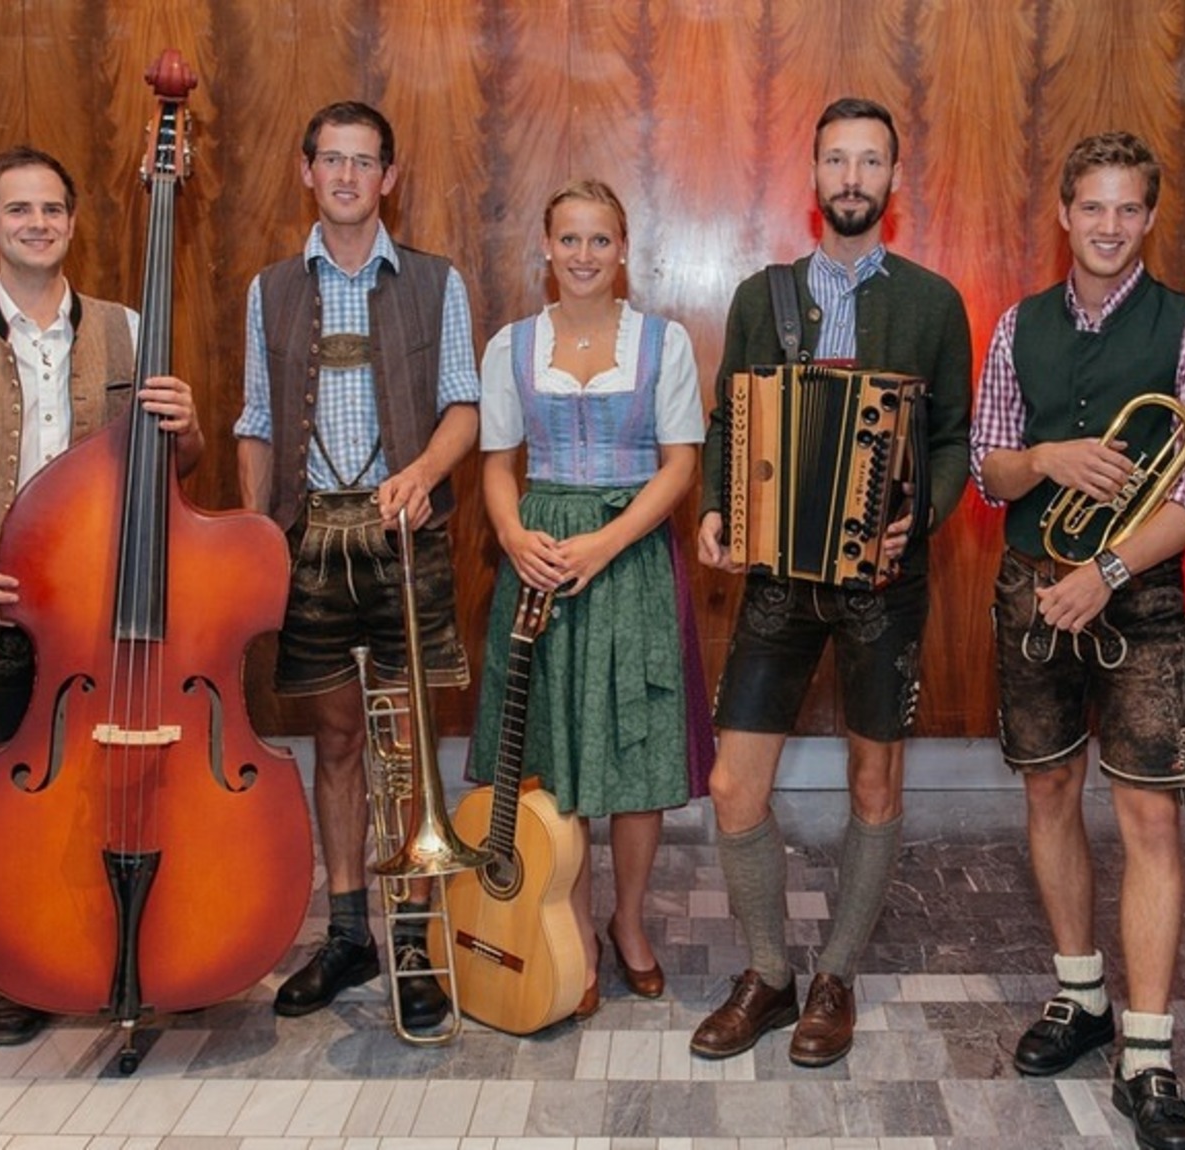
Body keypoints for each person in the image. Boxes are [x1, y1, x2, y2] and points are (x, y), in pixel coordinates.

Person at [689, 96, 972, 1068]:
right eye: (835, 161)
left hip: (882, 584)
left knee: (873, 778)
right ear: (811, 179)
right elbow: (730, 417)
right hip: (774, 577)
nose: (851, 177)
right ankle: (768, 973)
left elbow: (949, 441)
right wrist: (720, 507)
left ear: (893, 182)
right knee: (731, 785)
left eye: (869, 162)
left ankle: (835, 974)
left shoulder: (933, 304)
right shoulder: (758, 296)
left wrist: (919, 512)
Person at [0, 146, 204, 1046]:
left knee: (131, 776)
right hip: (4, 597)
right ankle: (23, 965)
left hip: (110, 598)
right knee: (15, 782)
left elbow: (171, 474)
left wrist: (184, 432)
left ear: (72, 221)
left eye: (52, 209)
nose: (38, 223)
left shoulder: (127, 325)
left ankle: (145, 934)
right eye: (18, 210)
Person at [970, 131, 1185, 1150]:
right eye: (1092, 207)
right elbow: (988, 476)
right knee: (1045, 788)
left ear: (1150, 218)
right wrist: (1044, 454)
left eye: (1129, 209)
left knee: (1149, 820)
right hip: (1031, 590)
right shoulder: (1017, 325)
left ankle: (1149, 1055)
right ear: (1063, 212)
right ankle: (1080, 996)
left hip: (1135, 598)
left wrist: (1107, 572)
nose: (1109, 226)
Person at [234, 101, 479, 1035]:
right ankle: (348, 935)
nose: (345, 176)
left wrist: (422, 472)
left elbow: (464, 406)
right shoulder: (269, 291)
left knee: (406, 742)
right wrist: (259, 538)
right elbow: (256, 422)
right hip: (308, 544)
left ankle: (414, 940)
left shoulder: (434, 281)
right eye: (330, 160)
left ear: (389, 177)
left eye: (363, 161)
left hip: (403, 538)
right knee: (335, 742)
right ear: (307, 172)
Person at [469, 179, 714, 1018]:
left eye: (599, 241)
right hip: (538, 553)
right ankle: (563, 917)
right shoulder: (510, 346)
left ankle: (629, 921)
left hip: (631, 550)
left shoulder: (662, 343)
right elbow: (497, 460)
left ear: (623, 252)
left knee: (635, 752)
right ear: (545, 249)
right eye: (568, 240)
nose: (583, 256)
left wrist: (608, 541)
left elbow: (680, 463)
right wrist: (511, 537)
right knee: (550, 746)